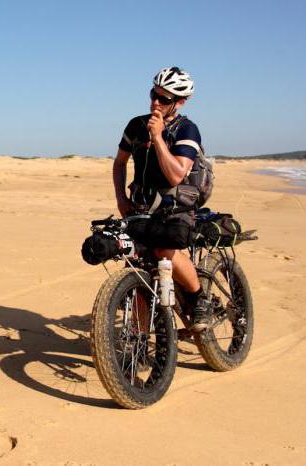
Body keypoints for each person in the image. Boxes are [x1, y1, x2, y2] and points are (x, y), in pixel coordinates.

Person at [112, 67, 210, 332]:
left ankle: (198, 297)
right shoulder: (135, 125)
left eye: (164, 99)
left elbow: (177, 175)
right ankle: (140, 337)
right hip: (141, 206)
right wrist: (122, 199)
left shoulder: (187, 130)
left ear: (180, 102)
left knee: (164, 249)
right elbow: (120, 163)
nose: (156, 102)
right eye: (154, 94)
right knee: (135, 259)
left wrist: (157, 137)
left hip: (177, 208)